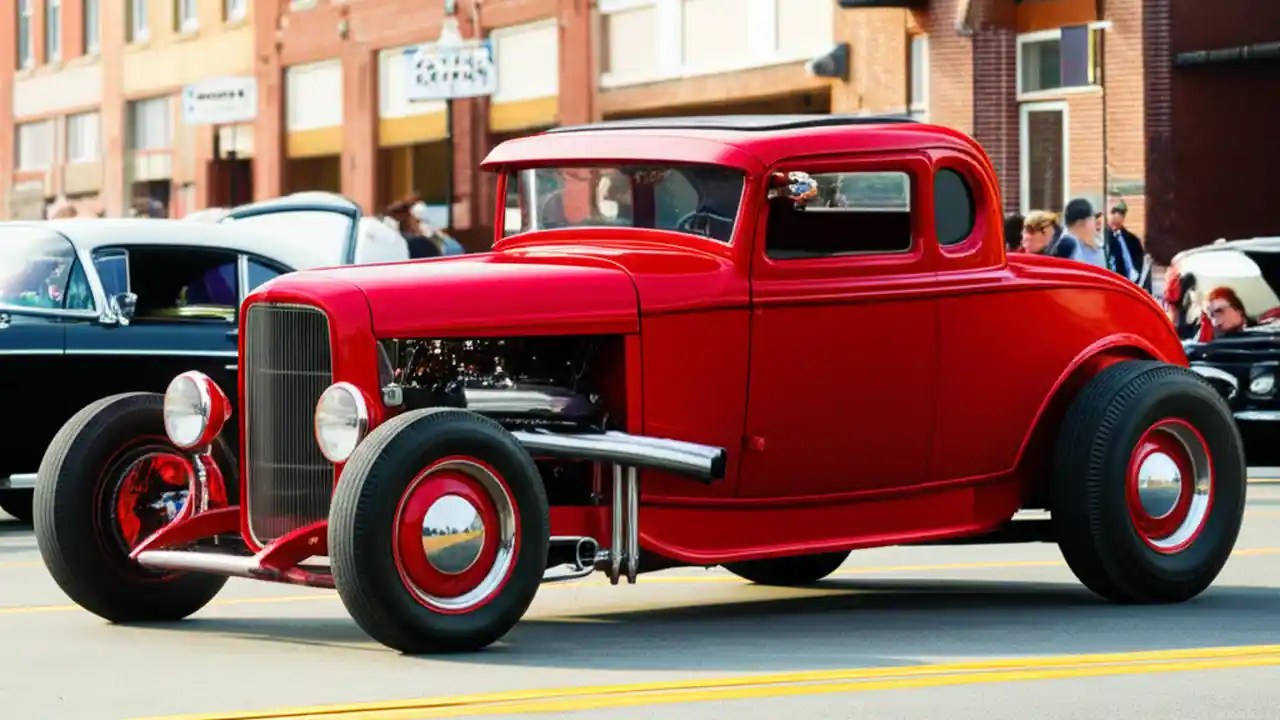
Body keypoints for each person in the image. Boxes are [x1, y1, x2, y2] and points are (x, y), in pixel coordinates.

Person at [1106, 200, 1153, 293]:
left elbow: (1142, 264)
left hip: (1135, 287)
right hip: (1115, 288)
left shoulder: (1132, 240)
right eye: (1113, 212)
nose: (1117, 216)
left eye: (1121, 213)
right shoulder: (1103, 240)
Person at [1048, 198, 1108, 268]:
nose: (1097, 223)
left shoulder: (1096, 247)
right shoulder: (1067, 246)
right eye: (1093, 219)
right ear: (1082, 223)